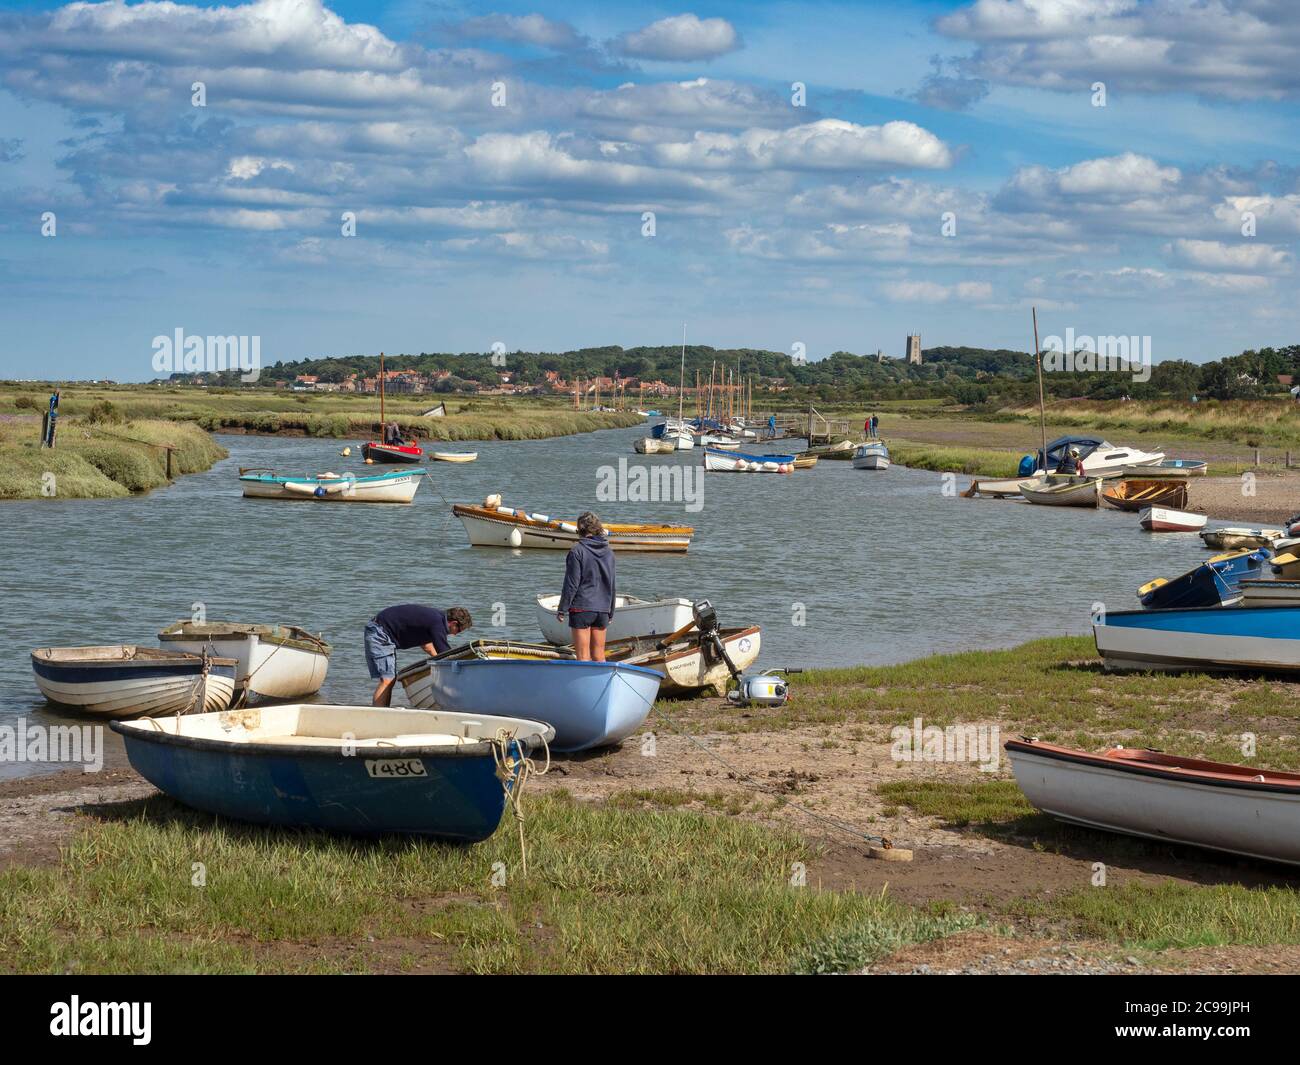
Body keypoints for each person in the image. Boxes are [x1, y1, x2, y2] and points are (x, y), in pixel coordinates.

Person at [365, 604, 472, 706]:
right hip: (380, 633)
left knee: (389, 680)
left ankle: (384, 712)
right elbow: (446, 655)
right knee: (387, 680)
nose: (455, 634)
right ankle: (379, 715)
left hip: (380, 629)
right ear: (453, 623)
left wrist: (437, 661)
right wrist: (462, 673)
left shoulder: (435, 619)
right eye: (458, 631)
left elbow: (426, 645)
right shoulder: (437, 624)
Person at [556, 511, 616, 662]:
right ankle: (601, 684)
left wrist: (562, 609)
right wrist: (611, 611)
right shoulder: (609, 552)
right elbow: (612, 583)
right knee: (599, 656)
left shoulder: (577, 551)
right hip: (603, 608)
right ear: (598, 529)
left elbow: (571, 584)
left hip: (581, 608)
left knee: (583, 657)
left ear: (579, 531)